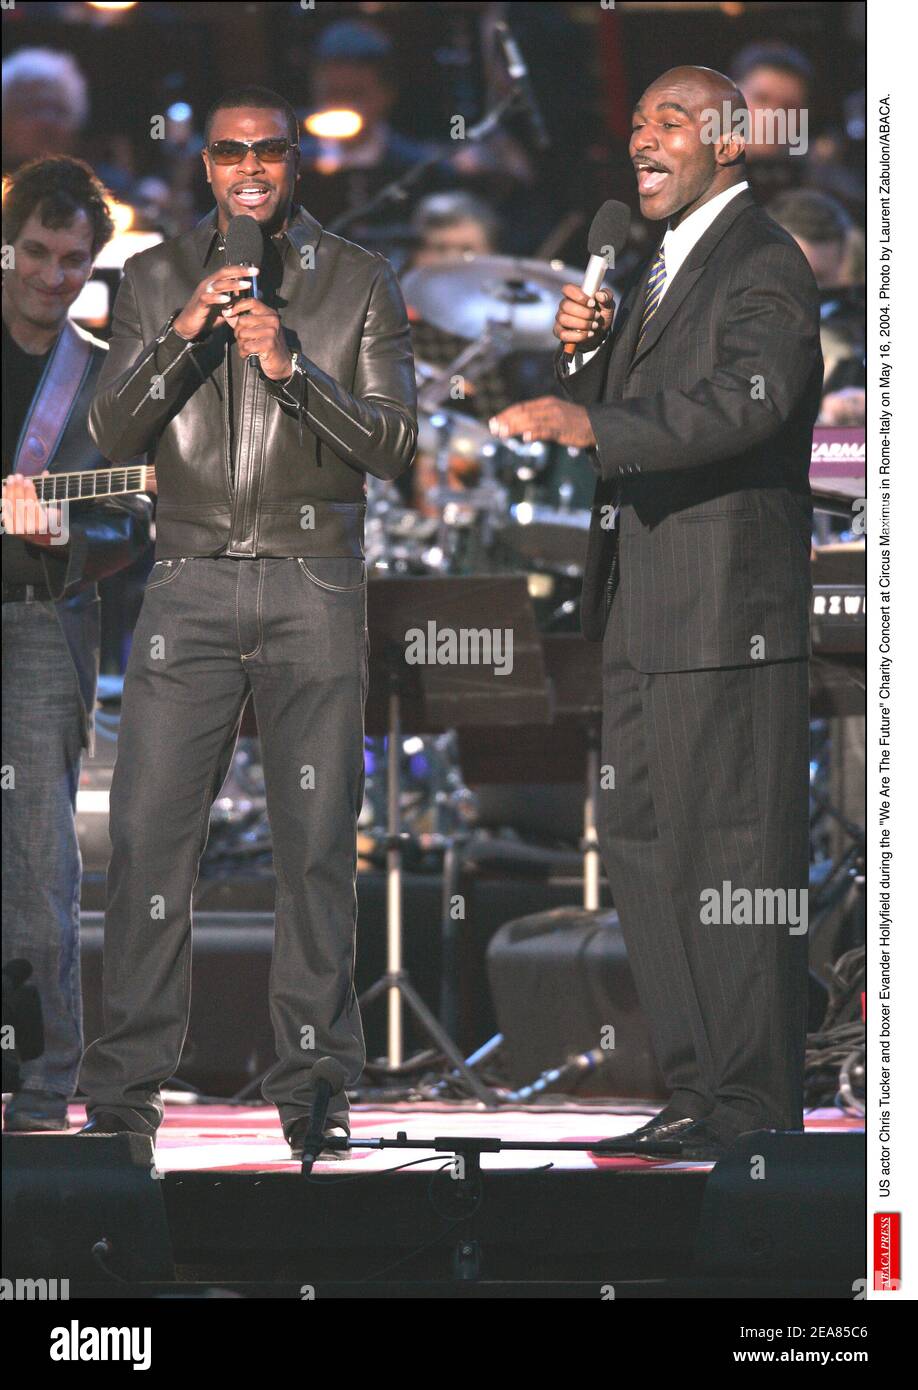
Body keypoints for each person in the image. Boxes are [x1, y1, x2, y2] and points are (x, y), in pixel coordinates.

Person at [76, 86, 417, 1160]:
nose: (251, 167)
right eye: (231, 152)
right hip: (186, 583)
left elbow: (394, 442)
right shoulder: (150, 278)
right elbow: (107, 429)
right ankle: (125, 1099)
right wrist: (183, 333)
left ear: (294, 162)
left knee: (314, 847)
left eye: (269, 148)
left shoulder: (359, 278)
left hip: (312, 581)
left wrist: (291, 367)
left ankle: (315, 1087)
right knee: (145, 845)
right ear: (207, 167)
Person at [490, 66, 822, 1162]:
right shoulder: (653, 269)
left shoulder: (762, 257)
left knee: (727, 854)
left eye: (669, 122)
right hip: (642, 608)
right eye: (635, 122)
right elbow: (635, 410)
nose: (642, 139)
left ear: (729, 143)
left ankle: (751, 1100)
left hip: (724, 610)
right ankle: (694, 1086)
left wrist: (597, 427)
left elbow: (754, 399)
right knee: (642, 843)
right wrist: (589, 362)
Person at [2, 155, 154, 1132]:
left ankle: (43, 1078)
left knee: (36, 862)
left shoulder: (99, 379)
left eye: (75, 260)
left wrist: (66, 534)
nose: (56, 276)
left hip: (37, 624)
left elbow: (137, 517)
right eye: (41, 253)